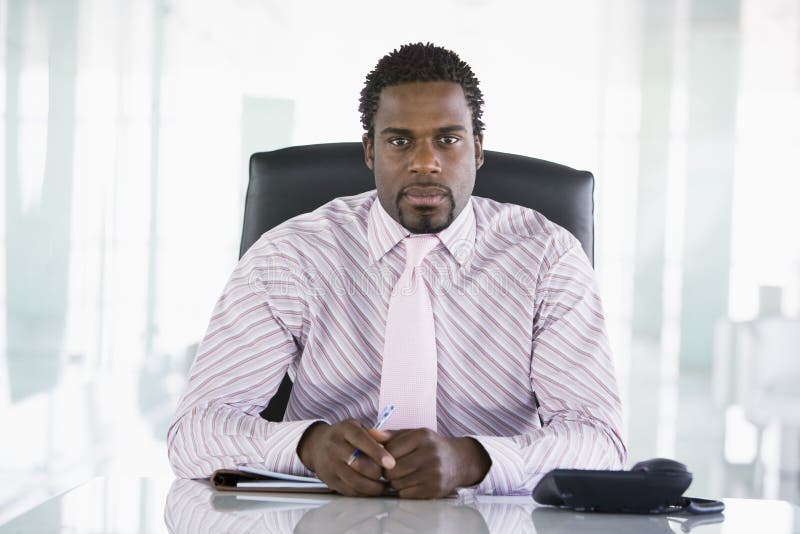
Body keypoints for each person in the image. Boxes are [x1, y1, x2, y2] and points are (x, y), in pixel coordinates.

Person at [167, 42, 626, 498]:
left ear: (478, 149)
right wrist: (304, 446)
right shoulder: (292, 255)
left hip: (492, 516)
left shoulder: (546, 257)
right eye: (399, 141)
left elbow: (599, 441)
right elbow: (194, 433)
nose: (425, 162)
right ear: (370, 150)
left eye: (448, 140)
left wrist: (474, 460)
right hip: (325, 517)